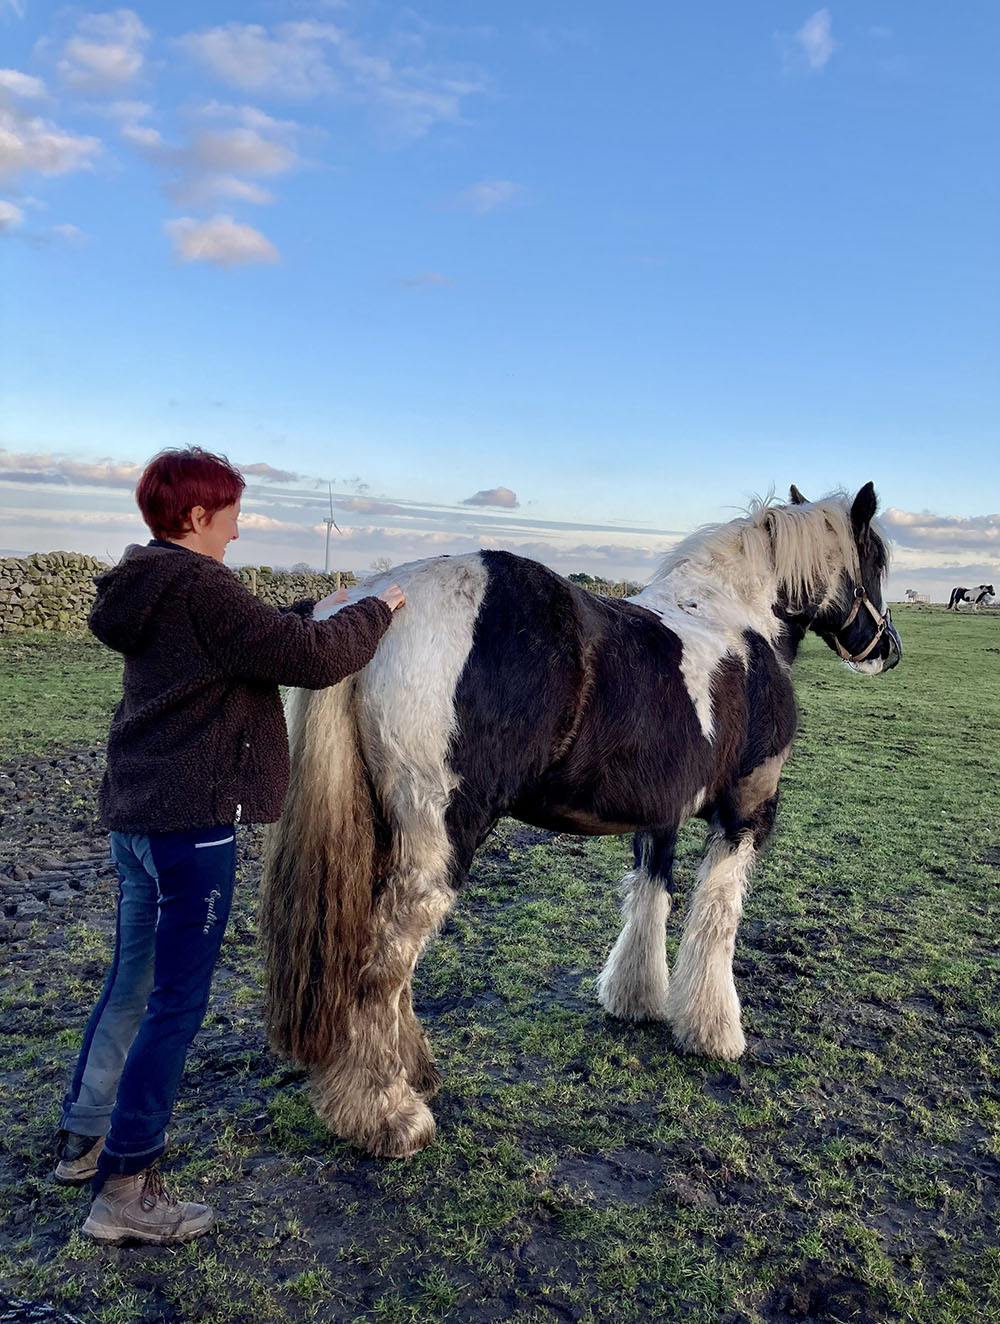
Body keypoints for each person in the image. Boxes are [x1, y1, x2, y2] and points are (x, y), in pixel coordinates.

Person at [54, 446, 404, 1245]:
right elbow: (311, 660)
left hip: (138, 820)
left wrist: (317, 603)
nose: (239, 531)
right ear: (196, 516)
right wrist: (377, 612)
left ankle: (84, 1137)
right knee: (175, 1005)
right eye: (233, 515)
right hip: (193, 827)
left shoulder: (147, 585)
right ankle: (127, 1189)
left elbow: (254, 638)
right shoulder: (200, 585)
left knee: (132, 981)